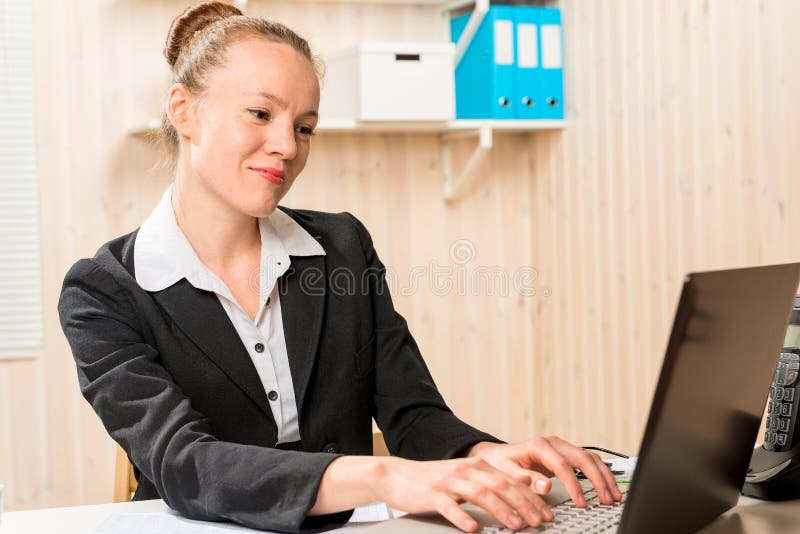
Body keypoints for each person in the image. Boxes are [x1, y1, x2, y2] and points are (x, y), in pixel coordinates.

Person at [57, 2, 621, 532]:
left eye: (304, 127)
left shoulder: (343, 247)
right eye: (260, 114)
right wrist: (383, 476)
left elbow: (413, 414)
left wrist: (484, 455)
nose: (287, 146)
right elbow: (186, 464)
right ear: (183, 110)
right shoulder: (103, 291)